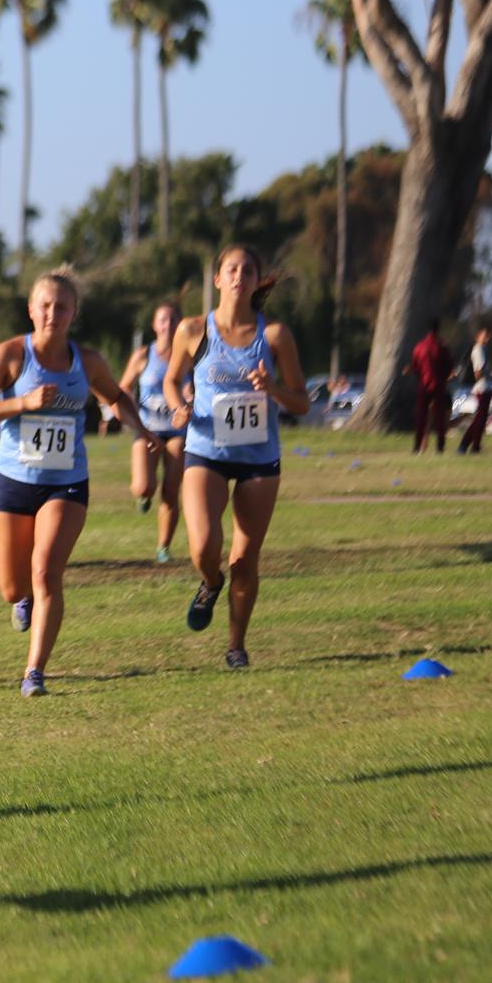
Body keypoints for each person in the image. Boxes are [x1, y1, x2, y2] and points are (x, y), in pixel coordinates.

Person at [0, 270, 156, 697]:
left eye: (62, 306)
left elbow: (116, 396)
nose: (53, 313)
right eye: (45, 305)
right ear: (32, 310)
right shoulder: (12, 355)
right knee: (12, 585)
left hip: (66, 482)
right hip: (14, 478)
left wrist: (141, 431)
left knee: (46, 571)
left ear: (74, 313)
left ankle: (34, 671)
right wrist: (21, 402)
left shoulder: (86, 361)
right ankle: (22, 599)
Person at [164, 244, 311, 669]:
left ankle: (236, 646)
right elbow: (173, 379)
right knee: (203, 544)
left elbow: (301, 402)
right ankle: (210, 583)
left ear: (255, 280)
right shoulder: (193, 330)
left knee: (245, 560)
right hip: (206, 449)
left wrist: (273, 390)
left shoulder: (275, 336)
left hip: (258, 458)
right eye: (231, 269)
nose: (239, 276)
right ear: (218, 278)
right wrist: (178, 407)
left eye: (248, 270)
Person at [119, 302, 187, 562]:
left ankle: (163, 547)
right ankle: (144, 496)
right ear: (154, 325)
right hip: (146, 430)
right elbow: (123, 388)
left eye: (172, 319)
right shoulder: (143, 355)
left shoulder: (188, 355)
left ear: (180, 323)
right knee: (144, 486)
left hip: (177, 431)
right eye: (162, 320)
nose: (167, 325)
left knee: (171, 491)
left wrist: (190, 397)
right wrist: (132, 413)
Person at [410, 320, 454, 454]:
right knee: (440, 417)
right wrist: (443, 378)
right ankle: (440, 446)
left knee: (421, 417)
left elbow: (415, 367)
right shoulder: (441, 347)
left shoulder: (419, 347)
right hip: (439, 385)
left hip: (423, 385)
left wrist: (420, 379)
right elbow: (449, 367)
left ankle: (417, 445)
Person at [457, 327, 492, 455]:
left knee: (482, 419)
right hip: (481, 388)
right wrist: (487, 377)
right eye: (484, 336)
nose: (487, 338)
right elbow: (478, 371)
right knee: (479, 419)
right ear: (477, 337)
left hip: (486, 387)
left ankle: (474, 446)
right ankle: (466, 445)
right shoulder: (478, 350)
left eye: (488, 336)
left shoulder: (483, 349)